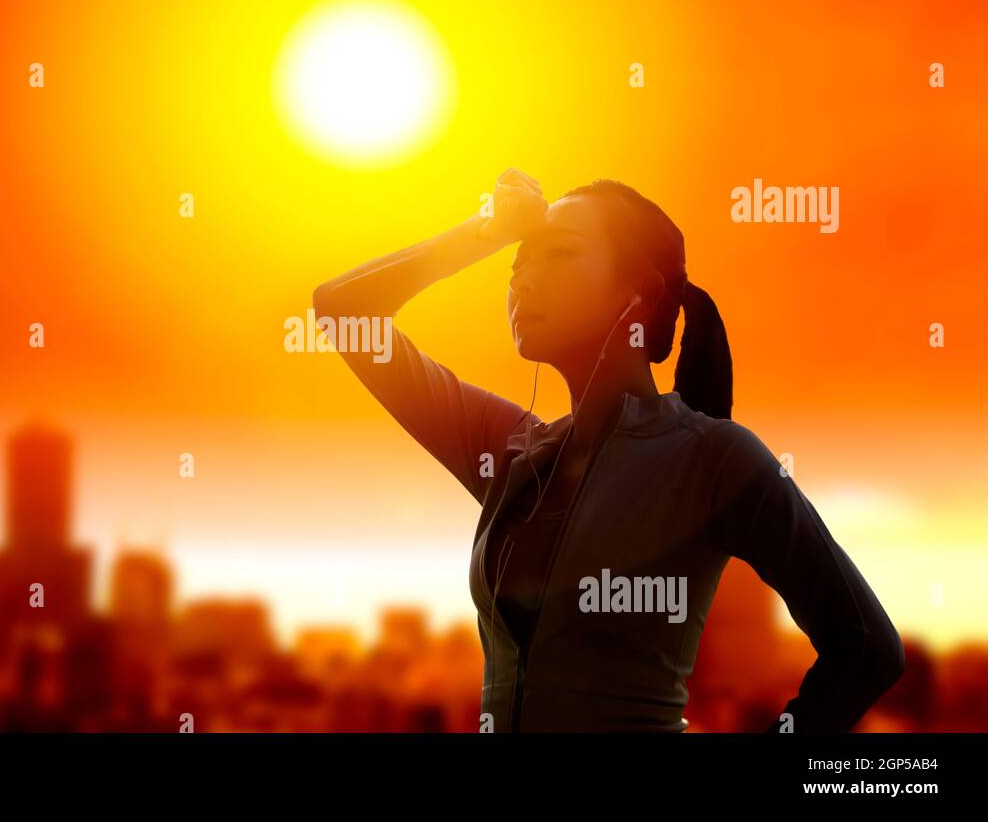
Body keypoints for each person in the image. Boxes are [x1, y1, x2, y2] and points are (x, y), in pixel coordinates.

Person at [312, 168, 904, 732]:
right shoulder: (510, 451)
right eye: (516, 263)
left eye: (559, 253)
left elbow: (866, 646)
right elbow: (344, 311)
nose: (522, 279)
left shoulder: (713, 457)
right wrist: (483, 231)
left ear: (637, 294)